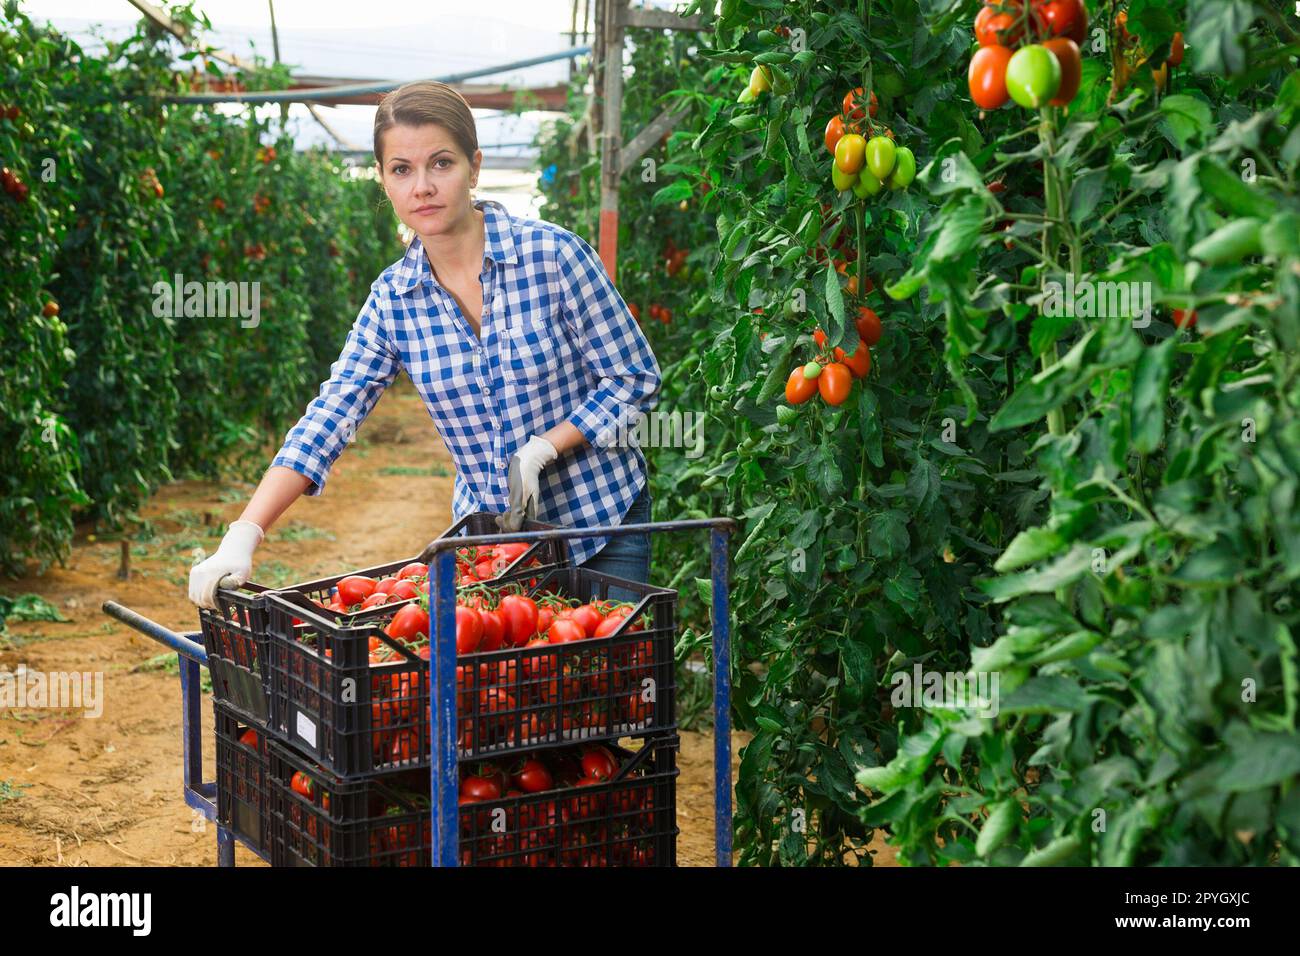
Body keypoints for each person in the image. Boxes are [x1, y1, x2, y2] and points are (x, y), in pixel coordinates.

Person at [188, 81, 660, 609]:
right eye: (402, 169)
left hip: (600, 522)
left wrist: (549, 444)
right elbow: (330, 415)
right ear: (384, 181)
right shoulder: (394, 300)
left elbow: (634, 379)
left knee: (611, 679)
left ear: (473, 168)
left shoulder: (553, 257)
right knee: (515, 687)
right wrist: (245, 532)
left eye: (441, 163)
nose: (422, 187)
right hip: (493, 544)